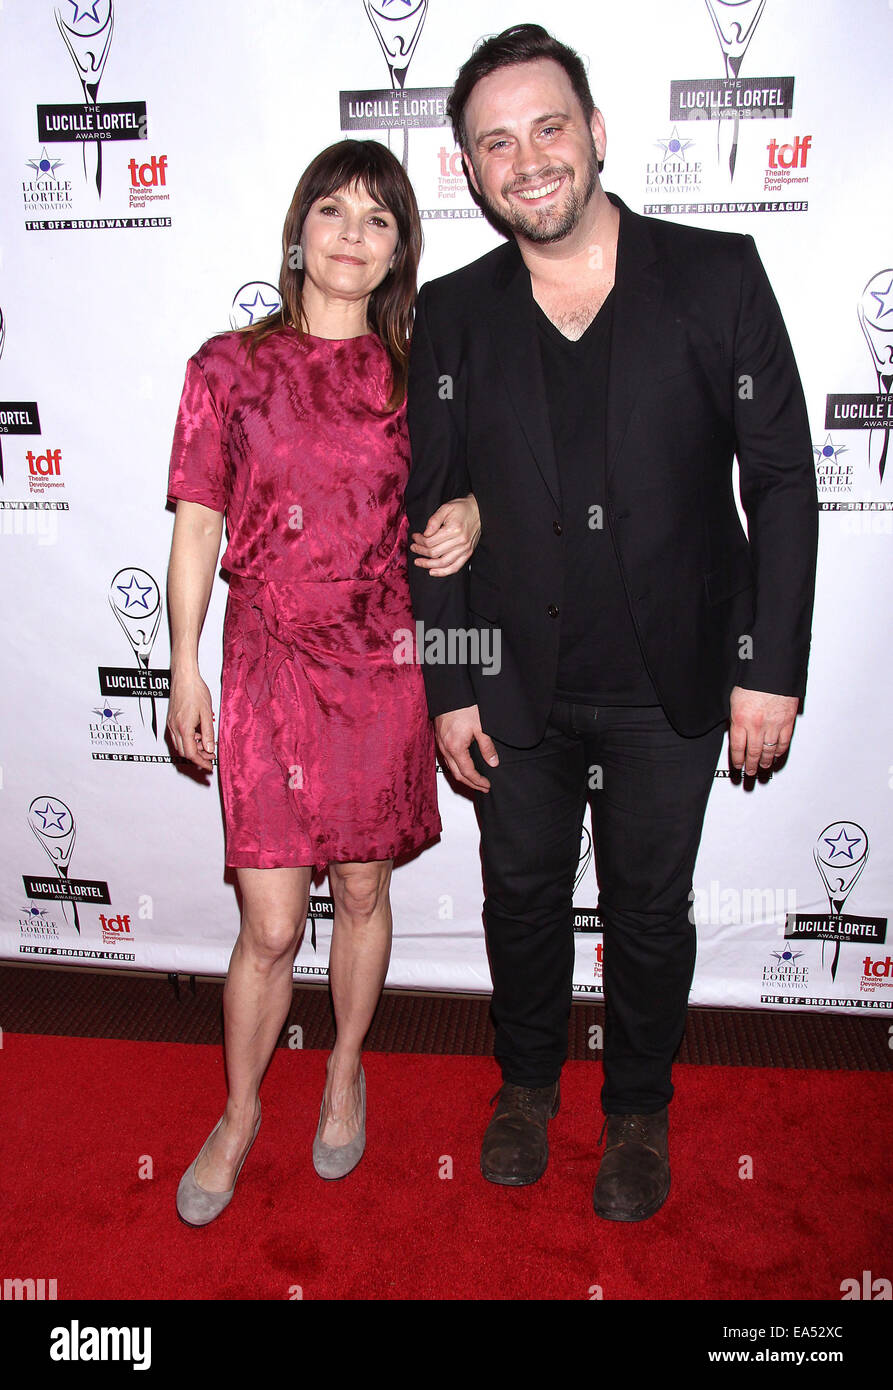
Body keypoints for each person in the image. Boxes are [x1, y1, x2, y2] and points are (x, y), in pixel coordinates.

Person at [405, 25, 818, 1222]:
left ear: (593, 133)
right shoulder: (454, 312)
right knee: (519, 899)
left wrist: (768, 665)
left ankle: (636, 1105)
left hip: (671, 683)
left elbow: (779, 482)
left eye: (546, 127)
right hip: (515, 682)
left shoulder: (716, 272)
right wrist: (449, 681)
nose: (526, 159)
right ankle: (526, 1087)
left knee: (648, 909)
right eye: (495, 142)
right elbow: (430, 509)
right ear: (473, 175)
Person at [165, 139, 480, 1225]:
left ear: (398, 251)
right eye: (334, 211)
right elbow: (198, 525)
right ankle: (241, 1108)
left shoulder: (411, 378)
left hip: (381, 663)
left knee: (360, 890)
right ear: (299, 230)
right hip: (263, 666)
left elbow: (472, 479)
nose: (352, 233)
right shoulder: (224, 367)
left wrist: (471, 511)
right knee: (266, 925)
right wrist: (182, 665)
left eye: (378, 219)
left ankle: (344, 1066)